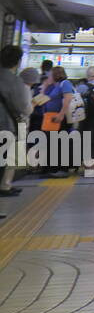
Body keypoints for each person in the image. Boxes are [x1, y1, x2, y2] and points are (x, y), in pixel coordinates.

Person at [0, 45, 33, 200]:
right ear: (18, 62)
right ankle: (4, 187)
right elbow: (22, 107)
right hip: (5, 125)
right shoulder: (15, 81)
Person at [41, 67, 74, 177]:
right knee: (53, 143)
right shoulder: (53, 87)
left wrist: (61, 114)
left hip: (61, 118)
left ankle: (63, 169)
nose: (48, 77)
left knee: (62, 142)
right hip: (51, 117)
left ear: (55, 75)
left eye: (50, 75)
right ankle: (53, 168)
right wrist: (45, 86)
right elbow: (42, 98)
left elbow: (68, 99)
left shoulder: (65, 83)